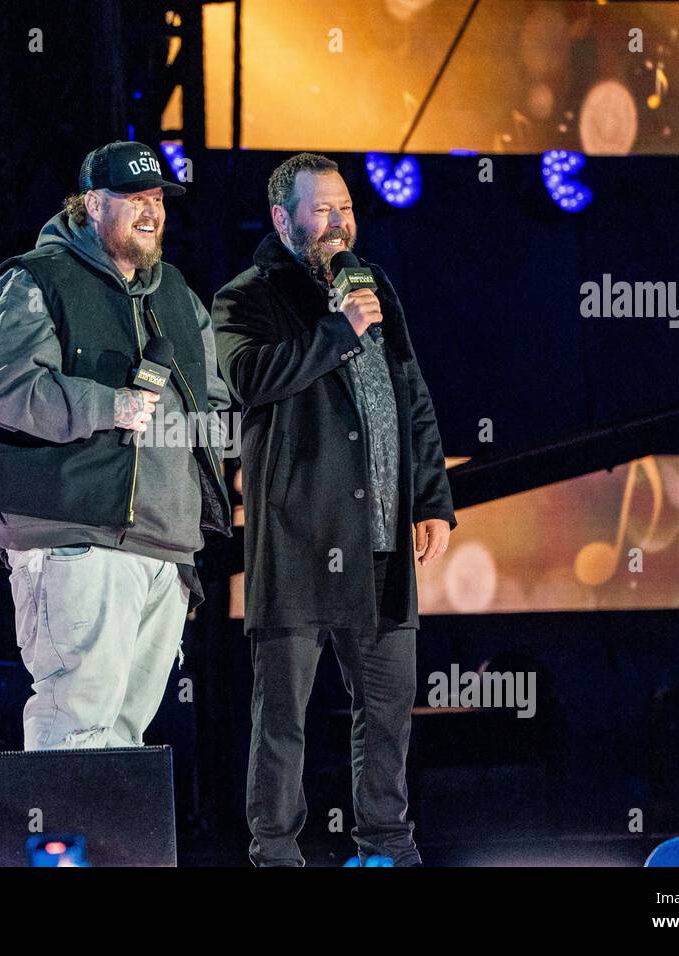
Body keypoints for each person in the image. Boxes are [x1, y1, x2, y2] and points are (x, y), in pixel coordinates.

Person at [211, 152, 457, 866]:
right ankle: (276, 854)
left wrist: (432, 498)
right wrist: (337, 330)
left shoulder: (373, 285)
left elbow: (410, 395)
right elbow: (251, 378)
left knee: (386, 714)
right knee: (283, 719)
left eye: (345, 209)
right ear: (283, 220)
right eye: (322, 211)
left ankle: (386, 849)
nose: (338, 224)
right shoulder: (245, 296)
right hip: (297, 537)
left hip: (381, 537)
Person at [0, 141, 232, 750]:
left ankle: (108, 847)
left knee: (122, 740)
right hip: (75, 537)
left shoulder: (178, 297)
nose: (151, 211)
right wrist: (105, 406)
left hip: (165, 549)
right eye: (134, 198)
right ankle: (62, 844)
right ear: (91, 204)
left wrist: (210, 471)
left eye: (158, 198)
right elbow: (1, 385)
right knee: (75, 724)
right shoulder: (36, 280)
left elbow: (210, 402)